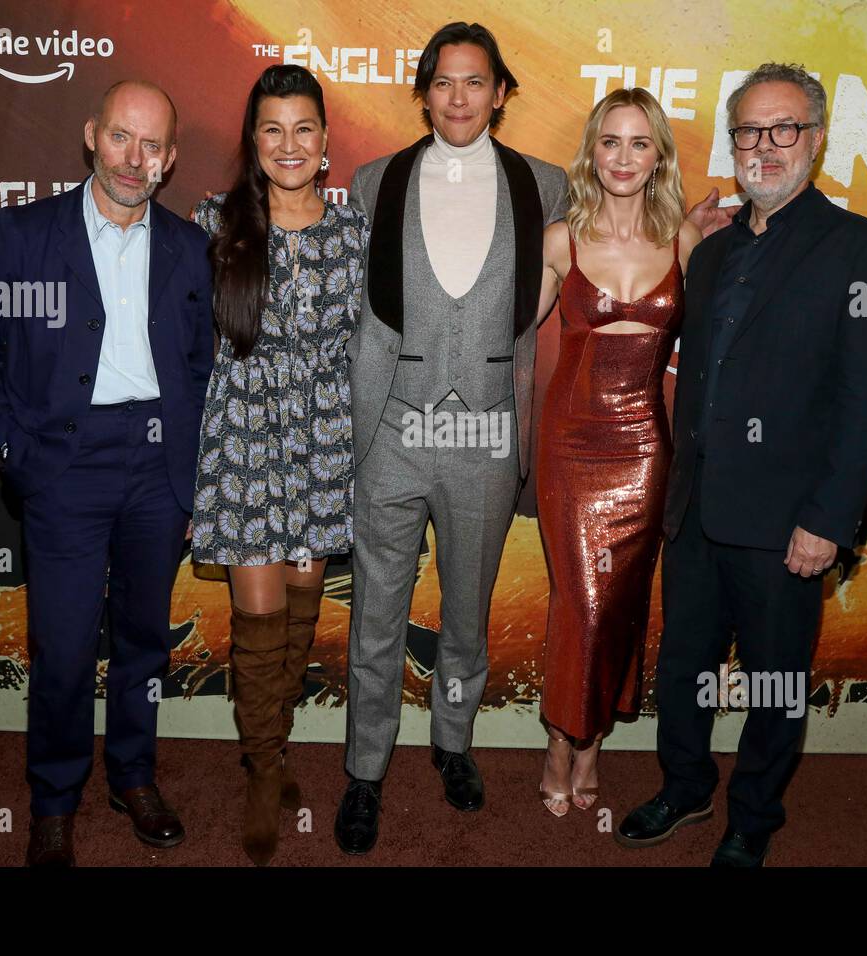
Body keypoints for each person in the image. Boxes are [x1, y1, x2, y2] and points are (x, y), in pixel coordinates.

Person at [616, 63, 867, 865]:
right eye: (749, 129)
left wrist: (828, 520)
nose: (765, 146)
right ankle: (683, 787)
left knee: (776, 684)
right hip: (699, 511)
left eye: (784, 129)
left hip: (788, 523)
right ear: (733, 140)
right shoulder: (709, 254)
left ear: (815, 139)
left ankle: (753, 818)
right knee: (683, 668)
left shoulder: (865, 252)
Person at [0, 81, 214, 866]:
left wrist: (190, 476)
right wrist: (17, 452)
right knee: (62, 650)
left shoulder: (188, 246)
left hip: (157, 466)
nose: (136, 159)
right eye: (122, 138)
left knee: (142, 643)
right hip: (63, 466)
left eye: (153, 145)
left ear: (170, 159)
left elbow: (199, 370)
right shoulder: (24, 236)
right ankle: (54, 798)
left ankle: (133, 775)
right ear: (92, 135)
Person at [331, 21, 568, 855]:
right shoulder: (371, 182)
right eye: (444, 81)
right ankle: (365, 768)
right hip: (391, 432)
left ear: (501, 92)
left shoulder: (547, 185)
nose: (459, 97)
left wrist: (695, 232)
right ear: (424, 92)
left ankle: (454, 744)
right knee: (375, 616)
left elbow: (628, 226)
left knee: (467, 614)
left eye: (476, 81)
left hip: (486, 438)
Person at [191, 65, 367, 867]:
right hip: (246, 449)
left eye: (304, 130)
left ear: (326, 143)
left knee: (301, 618)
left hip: (324, 447)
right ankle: (263, 774)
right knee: (258, 622)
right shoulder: (211, 227)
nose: (288, 145)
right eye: (272, 129)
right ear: (252, 142)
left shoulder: (354, 233)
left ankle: (277, 745)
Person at [534, 88, 700, 817]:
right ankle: (561, 741)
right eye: (610, 141)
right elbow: (503, 334)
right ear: (591, 151)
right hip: (570, 443)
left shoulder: (688, 243)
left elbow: (724, 344)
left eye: (639, 142)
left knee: (622, 600)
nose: (623, 157)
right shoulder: (559, 238)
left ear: (658, 154)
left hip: (642, 449)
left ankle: (593, 739)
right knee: (580, 601)